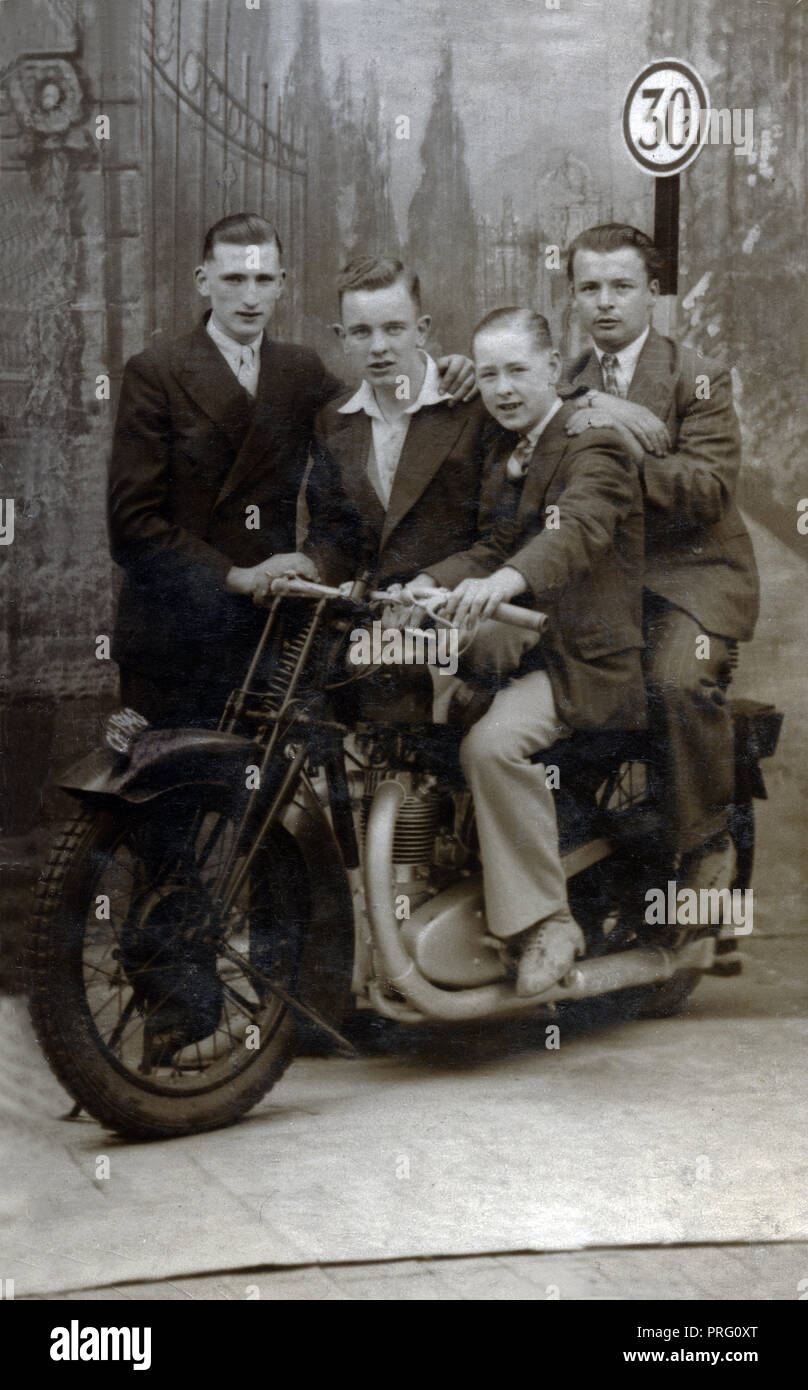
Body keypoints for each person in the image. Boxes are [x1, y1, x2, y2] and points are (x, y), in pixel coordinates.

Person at [107, 216, 474, 727]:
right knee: (168, 787)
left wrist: (445, 368)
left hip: (265, 631)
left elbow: (375, 403)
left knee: (255, 792)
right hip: (175, 632)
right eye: (234, 279)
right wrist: (234, 576)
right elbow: (131, 527)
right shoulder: (156, 373)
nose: (249, 297)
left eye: (263, 280)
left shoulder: (296, 369)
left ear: (282, 284)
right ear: (202, 281)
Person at [421, 308, 646, 997]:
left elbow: (576, 530)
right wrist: (427, 583)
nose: (503, 387)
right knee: (416, 715)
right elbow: (493, 543)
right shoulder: (507, 450)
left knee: (491, 747)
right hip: (526, 652)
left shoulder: (594, 443)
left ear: (554, 368)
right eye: (489, 373)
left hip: (585, 659)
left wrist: (505, 583)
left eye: (519, 370)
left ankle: (545, 922)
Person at [562, 223, 759, 860]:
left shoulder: (697, 377)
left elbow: (706, 488)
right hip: (604, 586)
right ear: (573, 297)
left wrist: (608, 445)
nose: (605, 302)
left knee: (674, 683)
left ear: (653, 293)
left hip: (691, 581)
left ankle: (706, 846)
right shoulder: (566, 381)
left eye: (622, 286)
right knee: (522, 688)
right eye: (589, 287)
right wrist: (589, 404)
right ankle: (573, 863)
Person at [305, 255, 490, 593]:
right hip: (369, 621)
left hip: (455, 614)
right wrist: (310, 567)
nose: (379, 348)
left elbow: (502, 534)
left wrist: (435, 582)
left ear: (421, 330)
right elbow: (331, 534)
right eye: (361, 332)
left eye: (393, 328)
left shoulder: (475, 405)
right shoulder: (334, 421)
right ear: (342, 338)